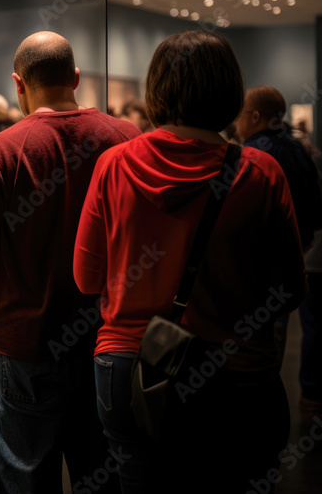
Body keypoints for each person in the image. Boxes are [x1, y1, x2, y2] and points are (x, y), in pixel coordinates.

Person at [74, 30, 307, 494]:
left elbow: (85, 278)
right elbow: (289, 291)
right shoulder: (260, 172)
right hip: (237, 373)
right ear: (229, 91)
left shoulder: (113, 165)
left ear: (156, 88)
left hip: (129, 368)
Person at [0, 31, 140, 493]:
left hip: (25, 346)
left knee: (24, 481)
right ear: (75, 78)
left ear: (19, 84)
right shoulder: (126, 139)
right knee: (101, 478)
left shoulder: (3, 150)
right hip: (105, 341)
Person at [234, 85, 322, 361]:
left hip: (256, 268)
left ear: (255, 116)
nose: (236, 121)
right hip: (292, 260)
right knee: (276, 335)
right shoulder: (298, 149)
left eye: (240, 114)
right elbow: (314, 210)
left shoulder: (249, 156)